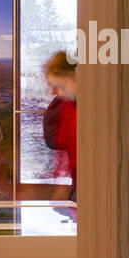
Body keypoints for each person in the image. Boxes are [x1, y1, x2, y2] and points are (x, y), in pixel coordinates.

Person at [43, 50, 77, 200]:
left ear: (73, 76)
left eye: (60, 86)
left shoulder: (93, 112)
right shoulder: (67, 107)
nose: (56, 93)